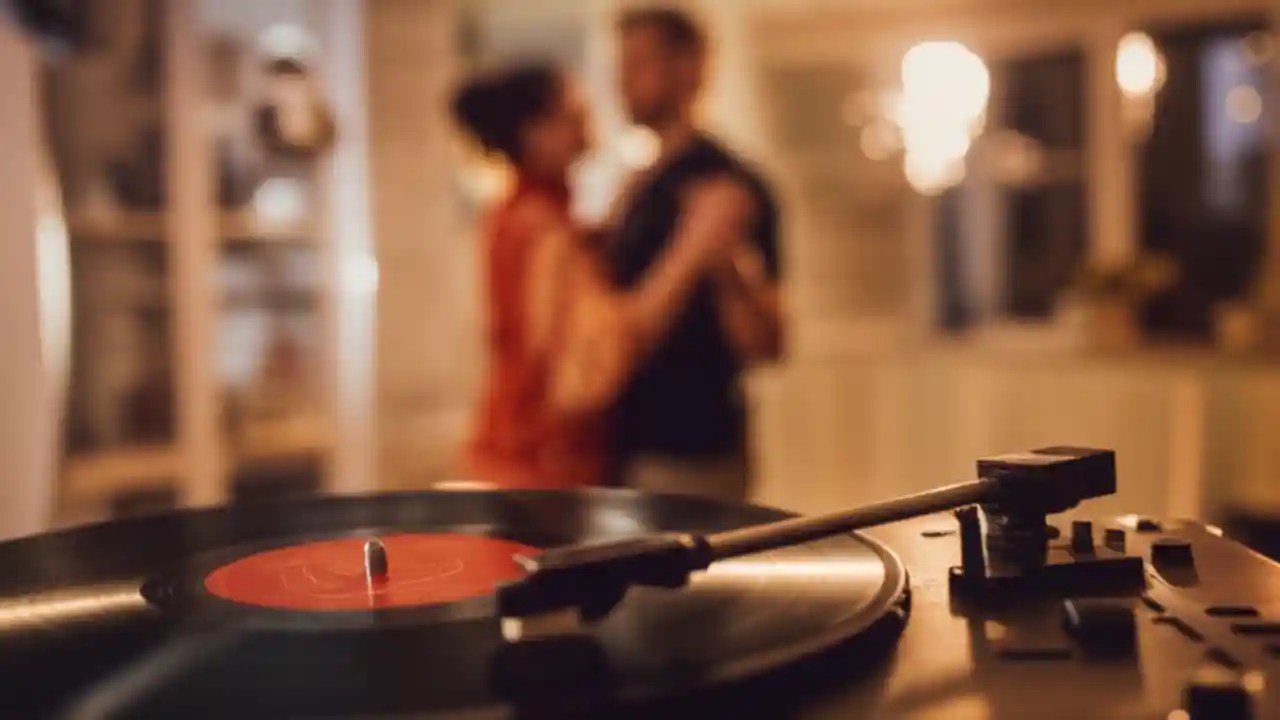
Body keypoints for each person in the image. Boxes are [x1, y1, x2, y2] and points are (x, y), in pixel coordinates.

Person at [454, 65, 753, 489]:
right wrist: (691, 249)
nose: (586, 120)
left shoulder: (519, 216)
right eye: (569, 112)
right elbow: (606, 356)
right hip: (543, 466)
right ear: (532, 132)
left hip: (521, 453)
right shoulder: (543, 229)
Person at [608, 8, 784, 501]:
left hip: (693, 452)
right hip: (622, 447)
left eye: (638, 64)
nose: (622, 81)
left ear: (691, 67)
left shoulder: (728, 183)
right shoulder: (637, 188)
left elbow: (768, 343)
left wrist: (720, 258)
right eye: (620, 66)